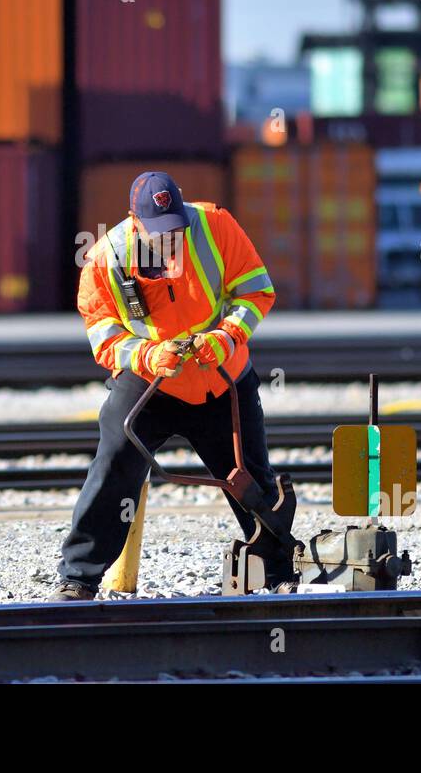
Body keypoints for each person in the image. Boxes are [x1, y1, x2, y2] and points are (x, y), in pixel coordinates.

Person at [50, 170, 295, 600]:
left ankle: (278, 572)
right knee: (113, 467)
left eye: (175, 229)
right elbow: (102, 334)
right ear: (134, 221)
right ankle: (78, 577)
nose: (171, 241)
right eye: (159, 233)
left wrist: (226, 337)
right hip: (151, 383)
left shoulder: (217, 226)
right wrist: (146, 356)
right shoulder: (106, 258)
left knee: (251, 477)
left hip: (221, 378)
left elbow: (257, 291)